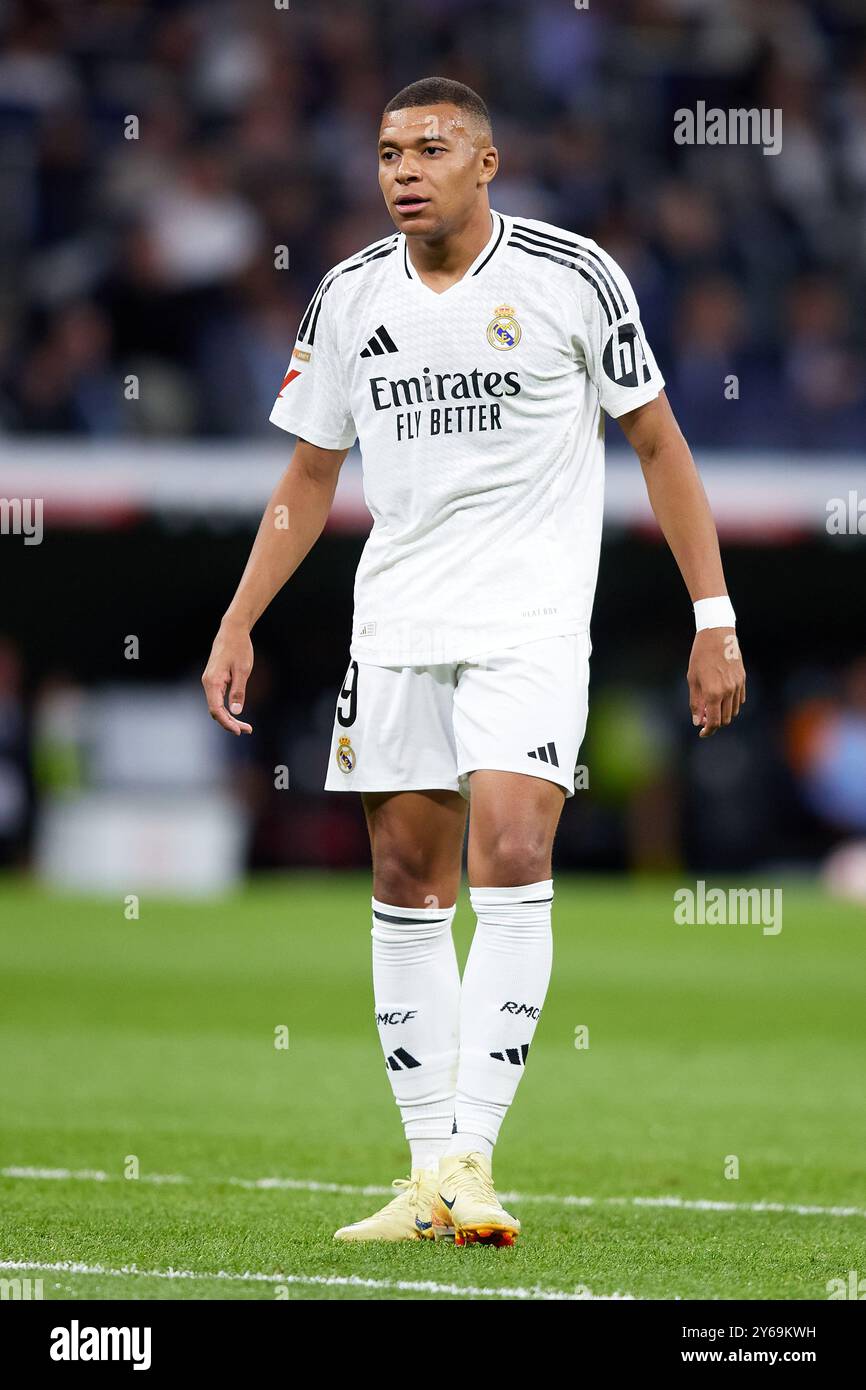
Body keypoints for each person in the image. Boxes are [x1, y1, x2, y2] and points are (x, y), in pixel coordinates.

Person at [201, 76, 746, 1247]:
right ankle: (422, 1174)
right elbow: (307, 479)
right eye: (388, 150)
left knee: (509, 846)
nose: (402, 169)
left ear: (485, 164)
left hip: (529, 621)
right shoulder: (347, 297)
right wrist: (239, 617)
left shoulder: (570, 275)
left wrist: (715, 616)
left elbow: (658, 443)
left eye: (430, 149)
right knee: (406, 879)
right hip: (394, 623)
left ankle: (471, 1155)